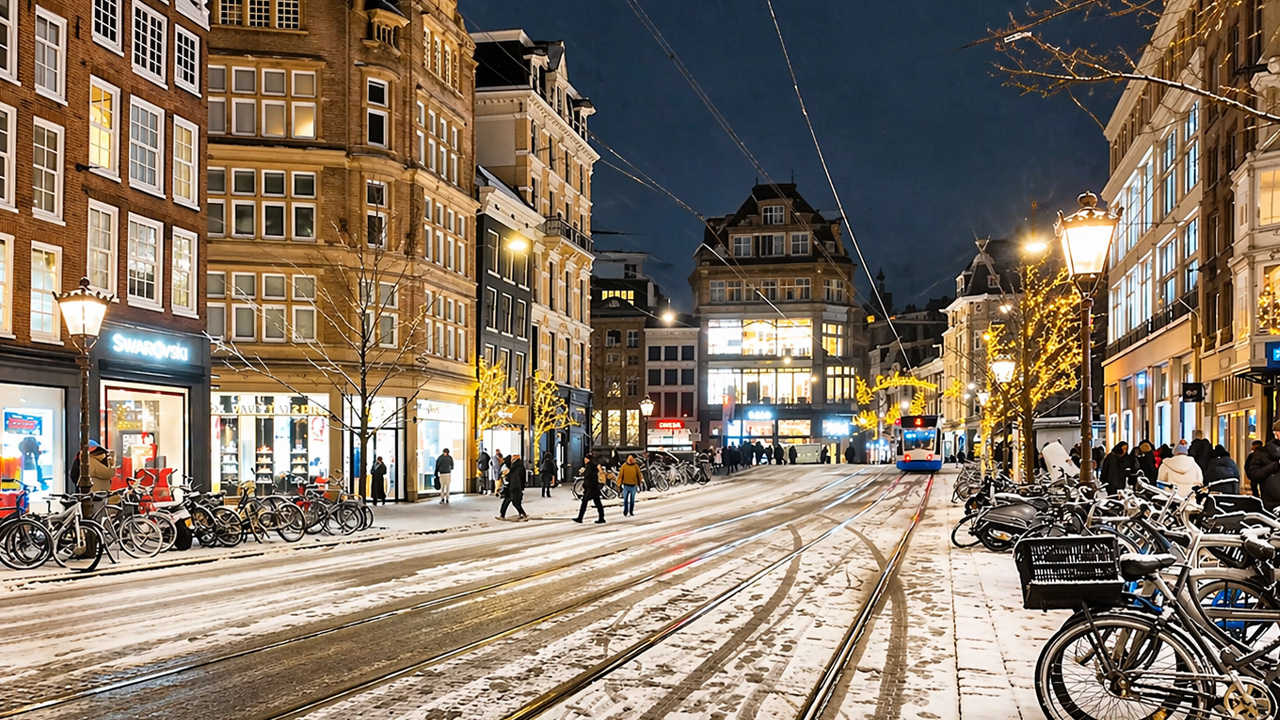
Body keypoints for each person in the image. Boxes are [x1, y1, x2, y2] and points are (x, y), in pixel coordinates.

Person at [573, 453, 606, 524]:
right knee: (597, 503)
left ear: (588, 459)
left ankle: (580, 518)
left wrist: (586, 485)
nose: (585, 460)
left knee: (585, 503)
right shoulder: (592, 466)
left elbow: (588, 477)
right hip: (593, 488)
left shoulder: (590, 466)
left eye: (586, 458)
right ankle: (601, 517)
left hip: (590, 488)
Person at [497, 451, 528, 521]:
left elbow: (515, 477)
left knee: (514, 502)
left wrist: (507, 476)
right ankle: (503, 514)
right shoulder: (517, 467)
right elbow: (522, 478)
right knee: (510, 502)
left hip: (514, 487)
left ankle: (521, 513)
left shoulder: (516, 467)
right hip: (514, 487)